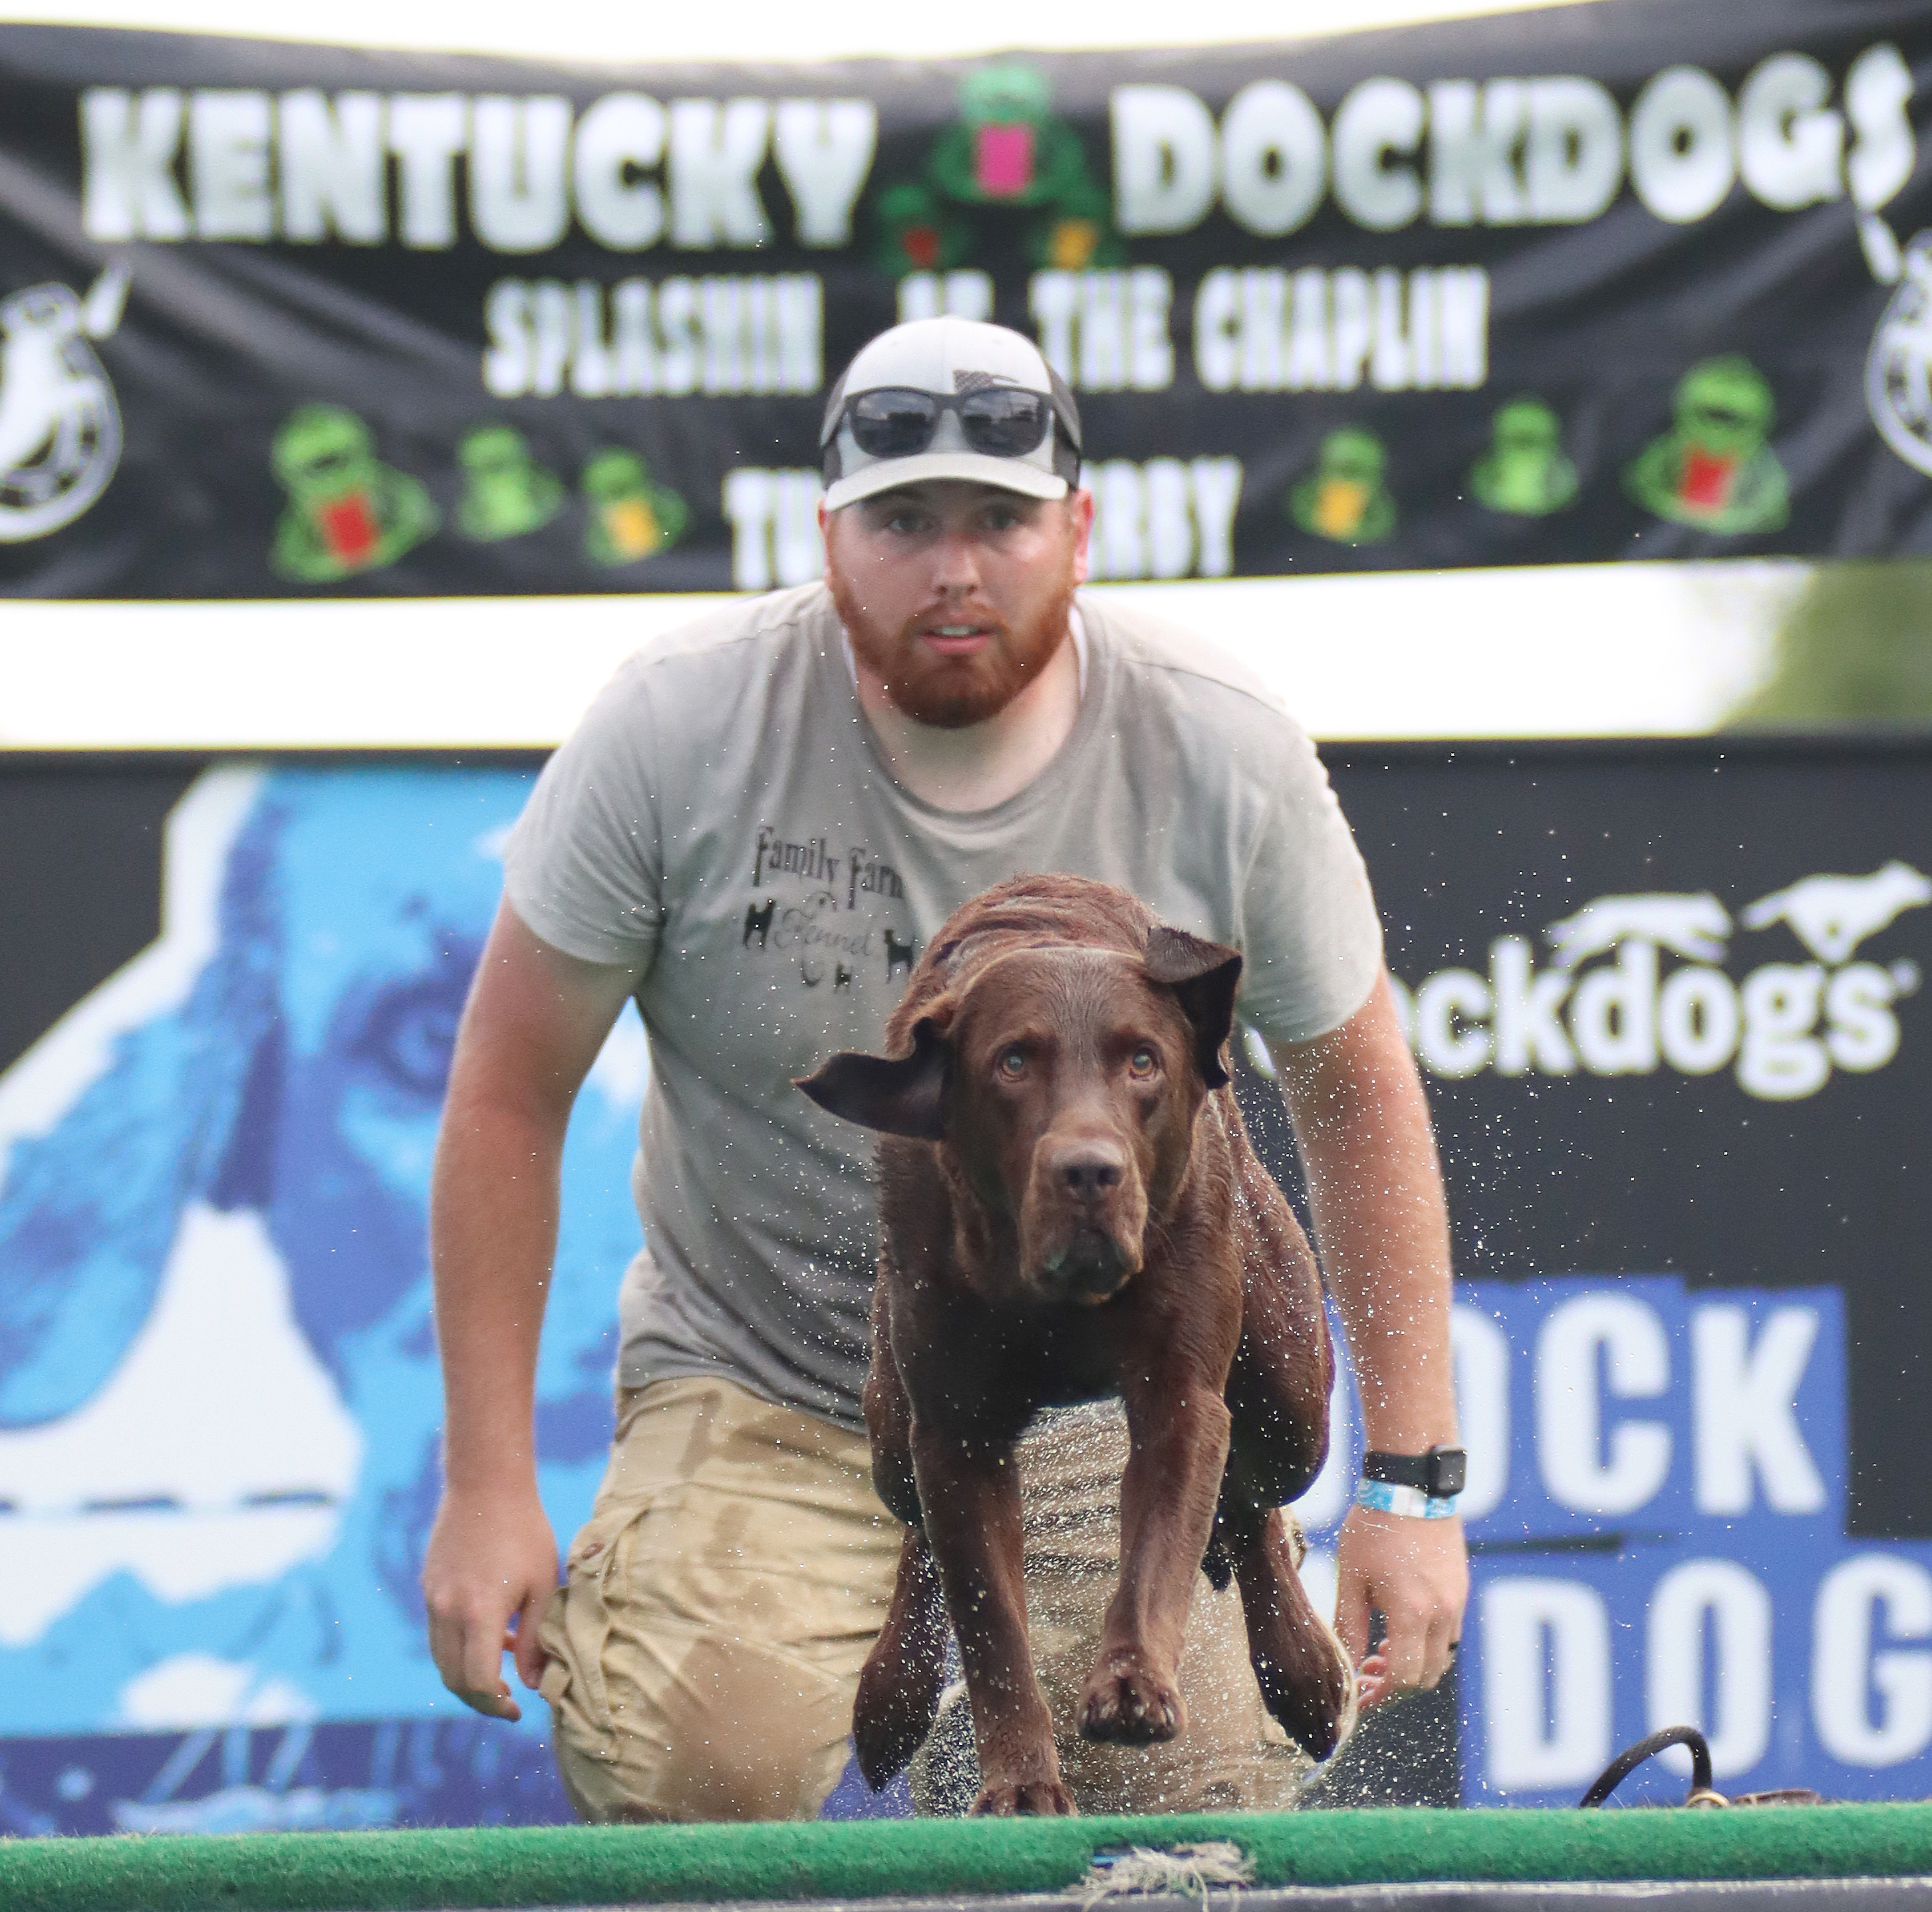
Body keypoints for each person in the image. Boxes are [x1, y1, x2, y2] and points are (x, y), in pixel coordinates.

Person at [422, 316, 1468, 1822]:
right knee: (690, 1769)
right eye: (904, 521)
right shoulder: (672, 727)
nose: (954, 567)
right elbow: (506, 1090)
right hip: (762, 1381)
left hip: (1096, 1400)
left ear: (1081, 531)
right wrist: (484, 1485)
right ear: (828, 535)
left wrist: (1410, 1490)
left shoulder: (1219, 743)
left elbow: (1359, 1091)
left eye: (1000, 518)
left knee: (1175, 1795)